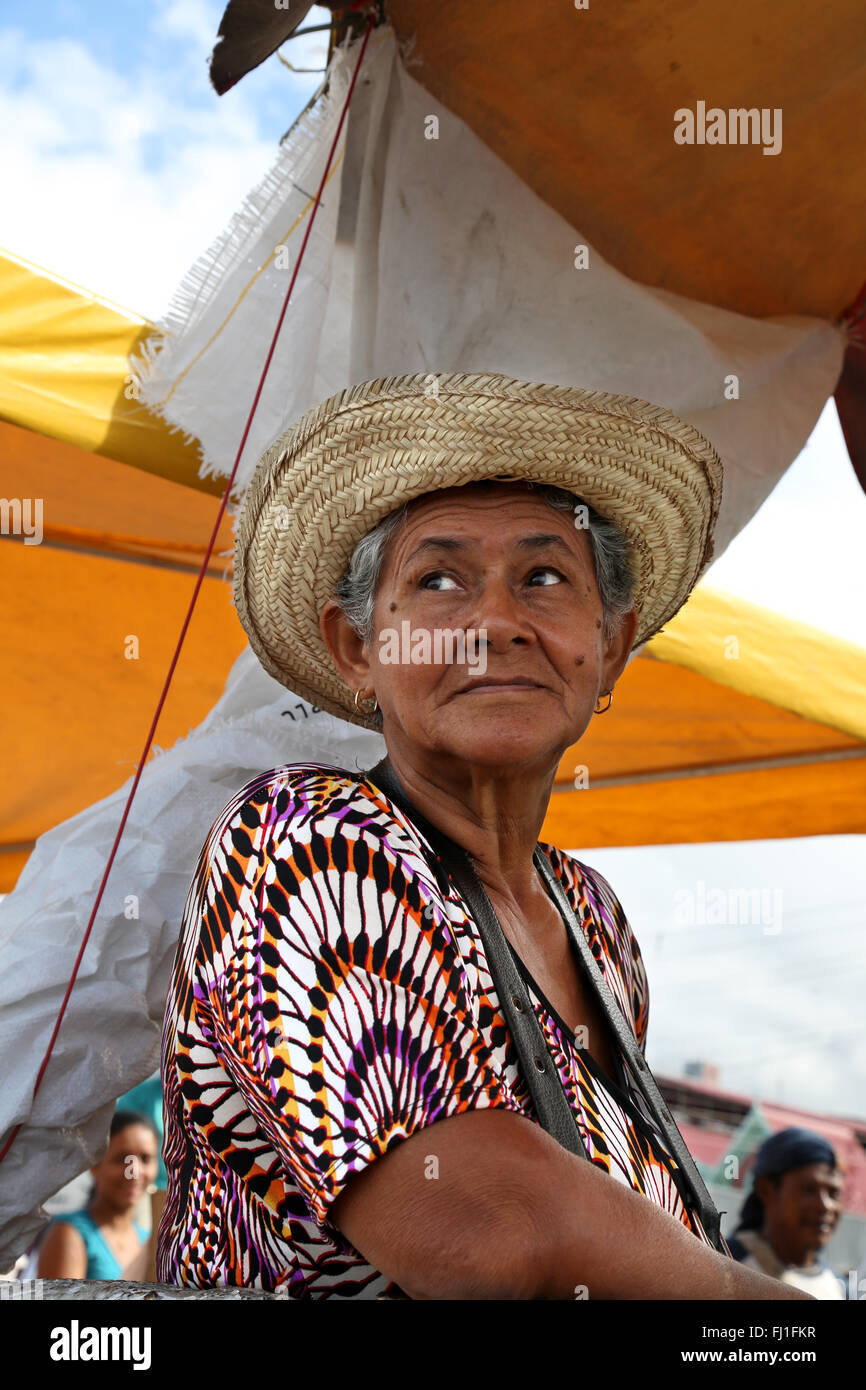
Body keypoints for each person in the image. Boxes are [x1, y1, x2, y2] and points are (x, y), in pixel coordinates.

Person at [159, 371, 812, 1299]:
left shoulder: (594, 921)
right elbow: (490, 1237)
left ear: (611, 644)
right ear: (359, 652)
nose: (497, 621)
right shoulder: (303, 840)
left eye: (544, 578)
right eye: (438, 581)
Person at [37, 1109, 158, 1281]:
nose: (134, 1172)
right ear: (94, 1165)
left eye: (145, 1159)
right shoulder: (69, 1234)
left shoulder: (148, 1240)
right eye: (122, 1159)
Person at [727, 1127, 846, 1298]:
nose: (825, 1206)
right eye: (808, 1190)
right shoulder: (721, 1267)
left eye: (833, 1193)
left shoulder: (839, 1288)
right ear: (765, 1190)